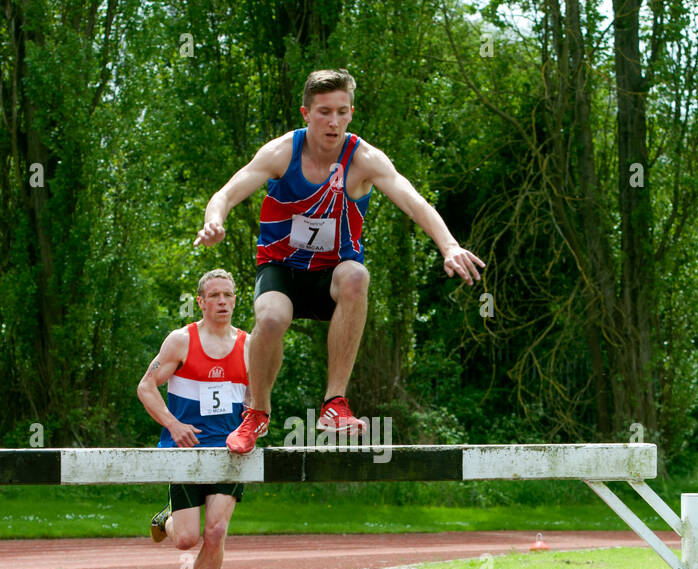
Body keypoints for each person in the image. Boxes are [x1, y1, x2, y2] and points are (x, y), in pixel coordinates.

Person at [195, 67, 485, 453]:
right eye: (324, 112)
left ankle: (335, 403)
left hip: (332, 275)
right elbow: (227, 193)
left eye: (342, 112)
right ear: (306, 113)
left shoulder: (365, 158)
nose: (333, 122)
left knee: (356, 276)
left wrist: (448, 245)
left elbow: (415, 202)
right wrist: (214, 221)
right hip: (282, 269)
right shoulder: (282, 152)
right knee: (270, 318)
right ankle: (257, 413)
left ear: (351, 113)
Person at [136, 268, 249, 569]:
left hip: (228, 455)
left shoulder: (249, 345)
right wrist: (172, 424)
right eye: (214, 296)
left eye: (228, 296)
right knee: (186, 539)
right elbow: (147, 386)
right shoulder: (181, 341)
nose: (222, 302)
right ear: (200, 301)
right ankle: (166, 517)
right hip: (184, 451)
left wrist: (253, 423)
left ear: (235, 299)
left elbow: (256, 399)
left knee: (215, 531)